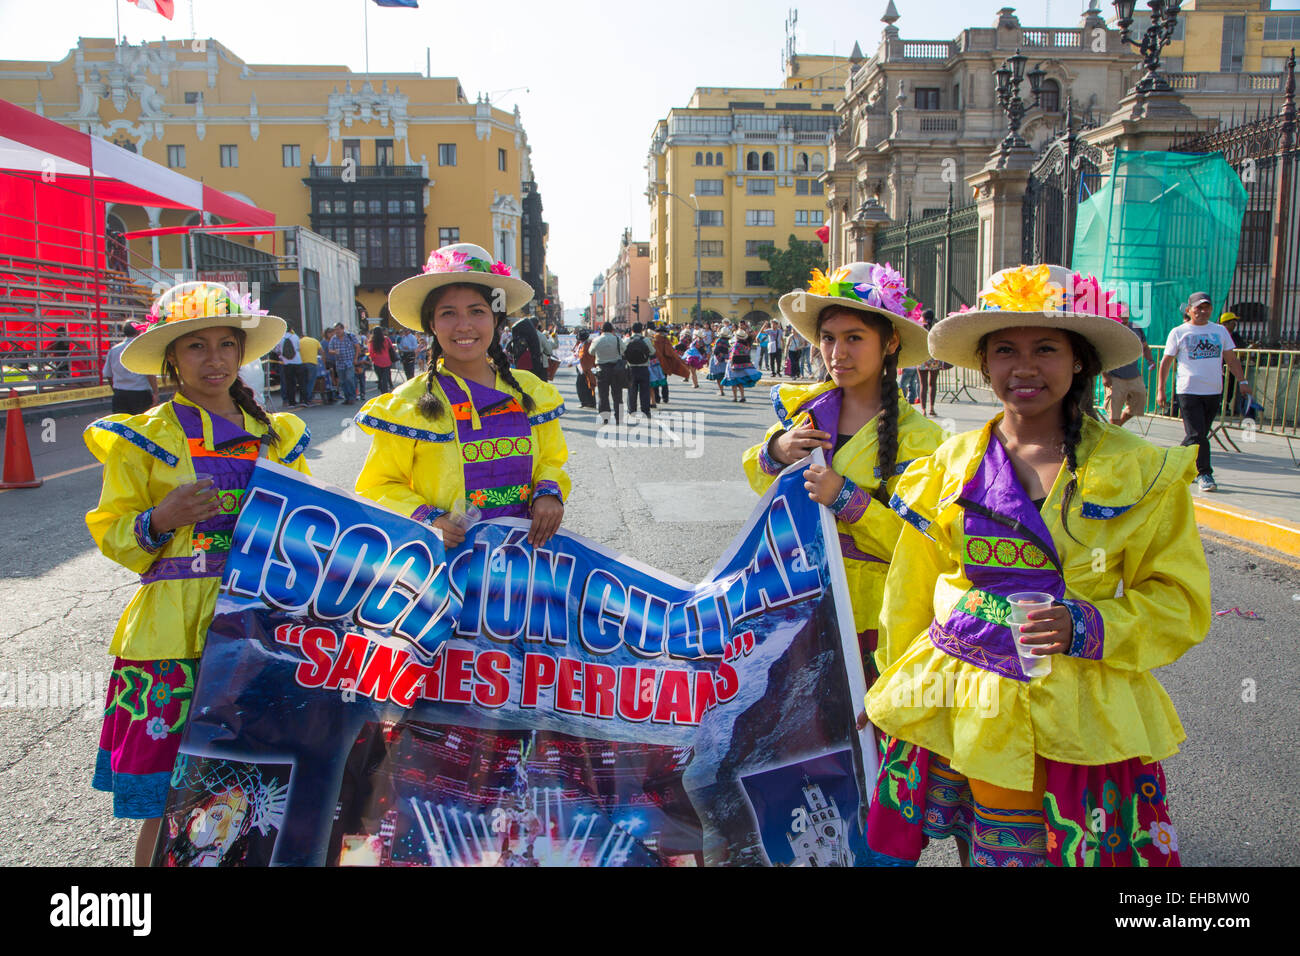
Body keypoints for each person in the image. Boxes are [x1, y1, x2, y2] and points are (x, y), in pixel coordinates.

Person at [865, 264, 1210, 867]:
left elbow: (1180, 600)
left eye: (1045, 348)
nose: (1024, 368)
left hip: (1083, 713)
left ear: (1079, 360)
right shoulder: (951, 466)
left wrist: (1087, 625)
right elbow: (910, 593)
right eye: (1005, 351)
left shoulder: (1142, 470)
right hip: (969, 703)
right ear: (983, 363)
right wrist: (900, 686)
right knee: (992, 848)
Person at [83, 281, 311, 866]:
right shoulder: (142, 437)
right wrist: (161, 518)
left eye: (226, 345)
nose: (214, 360)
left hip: (263, 630)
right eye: (195, 347)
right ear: (170, 359)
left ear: (242, 353)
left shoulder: (278, 435)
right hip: (171, 638)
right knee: (168, 803)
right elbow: (114, 532)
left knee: (261, 790)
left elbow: (313, 524)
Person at [354, 242, 569, 549]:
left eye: (477, 311)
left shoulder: (531, 393)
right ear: (432, 323)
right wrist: (428, 520)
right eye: (448, 313)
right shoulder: (408, 403)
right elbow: (378, 485)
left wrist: (548, 492)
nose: (463, 325)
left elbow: (551, 459)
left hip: (524, 564)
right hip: (443, 567)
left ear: (495, 319)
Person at [1157, 291, 1252, 492]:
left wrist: (1242, 381)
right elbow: (1166, 362)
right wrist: (1160, 390)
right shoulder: (1179, 332)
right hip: (1188, 390)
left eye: (1206, 307)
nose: (1202, 311)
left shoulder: (1220, 331)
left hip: (1213, 390)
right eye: (1198, 307)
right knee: (1198, 433)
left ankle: (1169, 464)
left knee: (1197, 435)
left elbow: (1231, 359)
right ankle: (1205, 473)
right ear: (1189, 310)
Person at [1102, 306, 1153, 426]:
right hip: (1114, 376)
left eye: (1126, 312)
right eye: (1120, 313)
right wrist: (1104, 375)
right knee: (1114, 411)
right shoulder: (1109, 328)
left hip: (1132, 374)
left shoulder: (1135, 327)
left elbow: (1145, 347)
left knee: (1138, 402)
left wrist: (1150, 360)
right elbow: (1101, 352)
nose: (1124, 315)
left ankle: (1117, 428)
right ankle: (1115, 433)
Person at [103, 323, 158, 414]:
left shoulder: (114, 350)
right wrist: (155, 392)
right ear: (139, 332)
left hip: (120, 393)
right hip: (140, 393)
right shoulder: (142, 349)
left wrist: (115, 389)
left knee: (122, 425)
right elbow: (149, 374)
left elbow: (108, 374)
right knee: (141, 424)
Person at [590, 321, 625, 425]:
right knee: (618, 394)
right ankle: (619, 417)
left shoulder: (596, 340)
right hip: (616, 369)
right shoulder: (617, 339)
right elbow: (624, 350)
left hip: (602, 369)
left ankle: (605, 417)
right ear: (612, 330)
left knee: (603, 395)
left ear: (602, 330)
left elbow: (591, 352)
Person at [917, 310, 947, 417]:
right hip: (934, 359)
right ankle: (932, 408)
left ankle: (923, 410)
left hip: (922, 359)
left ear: (923, 317)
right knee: (932, 384)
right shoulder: (937, 329)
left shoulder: (919, 328)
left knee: (922, 385)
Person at [623, 322, 655, 420]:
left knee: (631, 391)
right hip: (643, 368)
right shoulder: (646, 340)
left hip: (631, 368)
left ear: (631, 330)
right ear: (641, 330)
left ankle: (631, 411)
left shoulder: (627, 340)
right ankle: (646, 411)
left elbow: (622, 351)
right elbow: (653, 352)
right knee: (644, 391)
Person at [652, 323, 690, 404]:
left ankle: (657, 398)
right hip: (664, 363)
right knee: (664, 381)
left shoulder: (653, 340)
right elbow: (670, 353)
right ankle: (665, 398)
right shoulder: (665, 340)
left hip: (655, 363)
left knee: (655, 381)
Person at [723, 329, 762, 402]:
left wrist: (731, 365)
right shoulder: (745, 345)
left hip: (735, 366)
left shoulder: (736, 345)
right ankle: (742, 396)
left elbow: (733, 356)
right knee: (740, 382)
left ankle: (735, 397)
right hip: (742, 366)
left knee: (733, 382)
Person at [326, 323, 359, 405]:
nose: (337, 331)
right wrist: (334, 351)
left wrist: (355, 358)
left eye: (338, 329)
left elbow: (357, 347)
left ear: (342, 329)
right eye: (335, 330)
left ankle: (352, 396)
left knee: (349, 379)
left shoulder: (350, 336)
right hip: (339, 363)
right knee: (343, 381)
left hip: (349, 362)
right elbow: (330, 350)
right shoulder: (334, 339)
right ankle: (347, 398)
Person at [277, 325, 304, 407]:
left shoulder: (280, 338)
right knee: (301, 382)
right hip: (297, 362)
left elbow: (276, 350)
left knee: (289, 383)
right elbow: (299, 347)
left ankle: (291, 402)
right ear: (291, 329)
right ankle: (303, 400)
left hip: (286, 363)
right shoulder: (295, 337)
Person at [573, 328, 598, 409]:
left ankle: (587, 402)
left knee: (584, 385)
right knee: (586, 385)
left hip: (586, 367)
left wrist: (573, 363)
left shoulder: (587, 345)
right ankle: (589, 402)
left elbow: (582, 357)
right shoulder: (582, 344)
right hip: (583, 367)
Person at [369, 325, 396, 394]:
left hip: (377, 362)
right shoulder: (386, 339)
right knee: (385, 379)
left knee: (380, 378)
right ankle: (385, 392)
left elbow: (371, 352)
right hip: (387, 361)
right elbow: (391, 347)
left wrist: (372, 360)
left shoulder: (372, 341)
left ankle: (382, 391)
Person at [299, 330, 322, 406]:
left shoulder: (299, 341)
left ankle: (303, 399)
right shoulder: (315, 341)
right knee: (311, 382)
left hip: (302, 364)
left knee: (303, 383)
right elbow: (322, 351)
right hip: (312, 363)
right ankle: (308, 399)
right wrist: (323, 363)